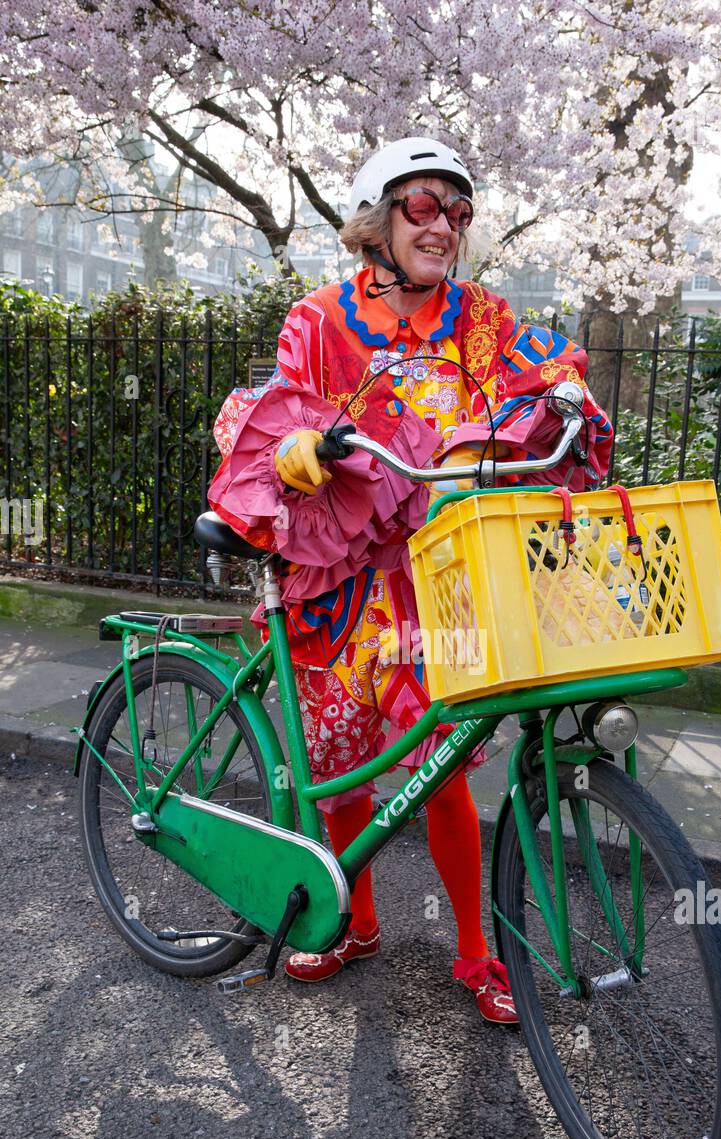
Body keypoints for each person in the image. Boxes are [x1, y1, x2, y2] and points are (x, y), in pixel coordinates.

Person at [209, 137, 614, 1023]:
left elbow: (539, 369)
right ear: (377, 219)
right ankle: (357, 922)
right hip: (340, 584)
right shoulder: (317, 320)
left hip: (442, 577)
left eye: (458, 213)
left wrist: (558, 400)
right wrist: (296, 449)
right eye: (424, 207)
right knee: (343, 769)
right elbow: (265, 413)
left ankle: (477, 952)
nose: (444, 227)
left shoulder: (483, 318)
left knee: (444, 767)